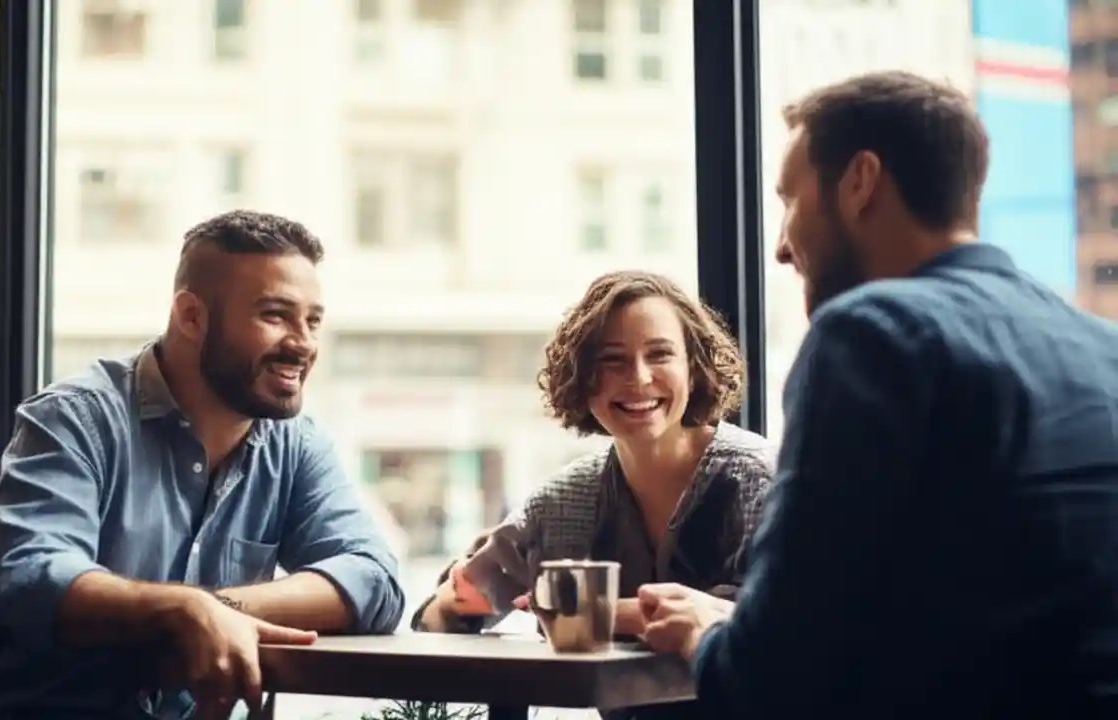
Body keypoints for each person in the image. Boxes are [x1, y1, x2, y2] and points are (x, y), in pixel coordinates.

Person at [638, 71, 1118, 718]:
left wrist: (707, 632)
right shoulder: (1100, 344)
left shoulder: (872, 336)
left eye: (789, 200)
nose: (781, 246)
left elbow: (770, 681)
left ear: (861, 182)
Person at [0, 211, 405, 720]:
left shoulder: (295, 445)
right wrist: (182, 611)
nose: (304, 343)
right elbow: (33, 581)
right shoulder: (74, 420)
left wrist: (215, 610)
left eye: (312, 320)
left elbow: (372, 577)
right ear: (191, 316)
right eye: (275, 315)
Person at [412, 271, 774, 654]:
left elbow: (785, 622)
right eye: (612, 360)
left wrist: (606, 613)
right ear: (583, 378)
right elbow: (437, 618)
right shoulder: (561, 501)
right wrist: (457, 604)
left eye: (660, 354)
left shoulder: (757, 479)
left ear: (694, 366)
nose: (638, 377)